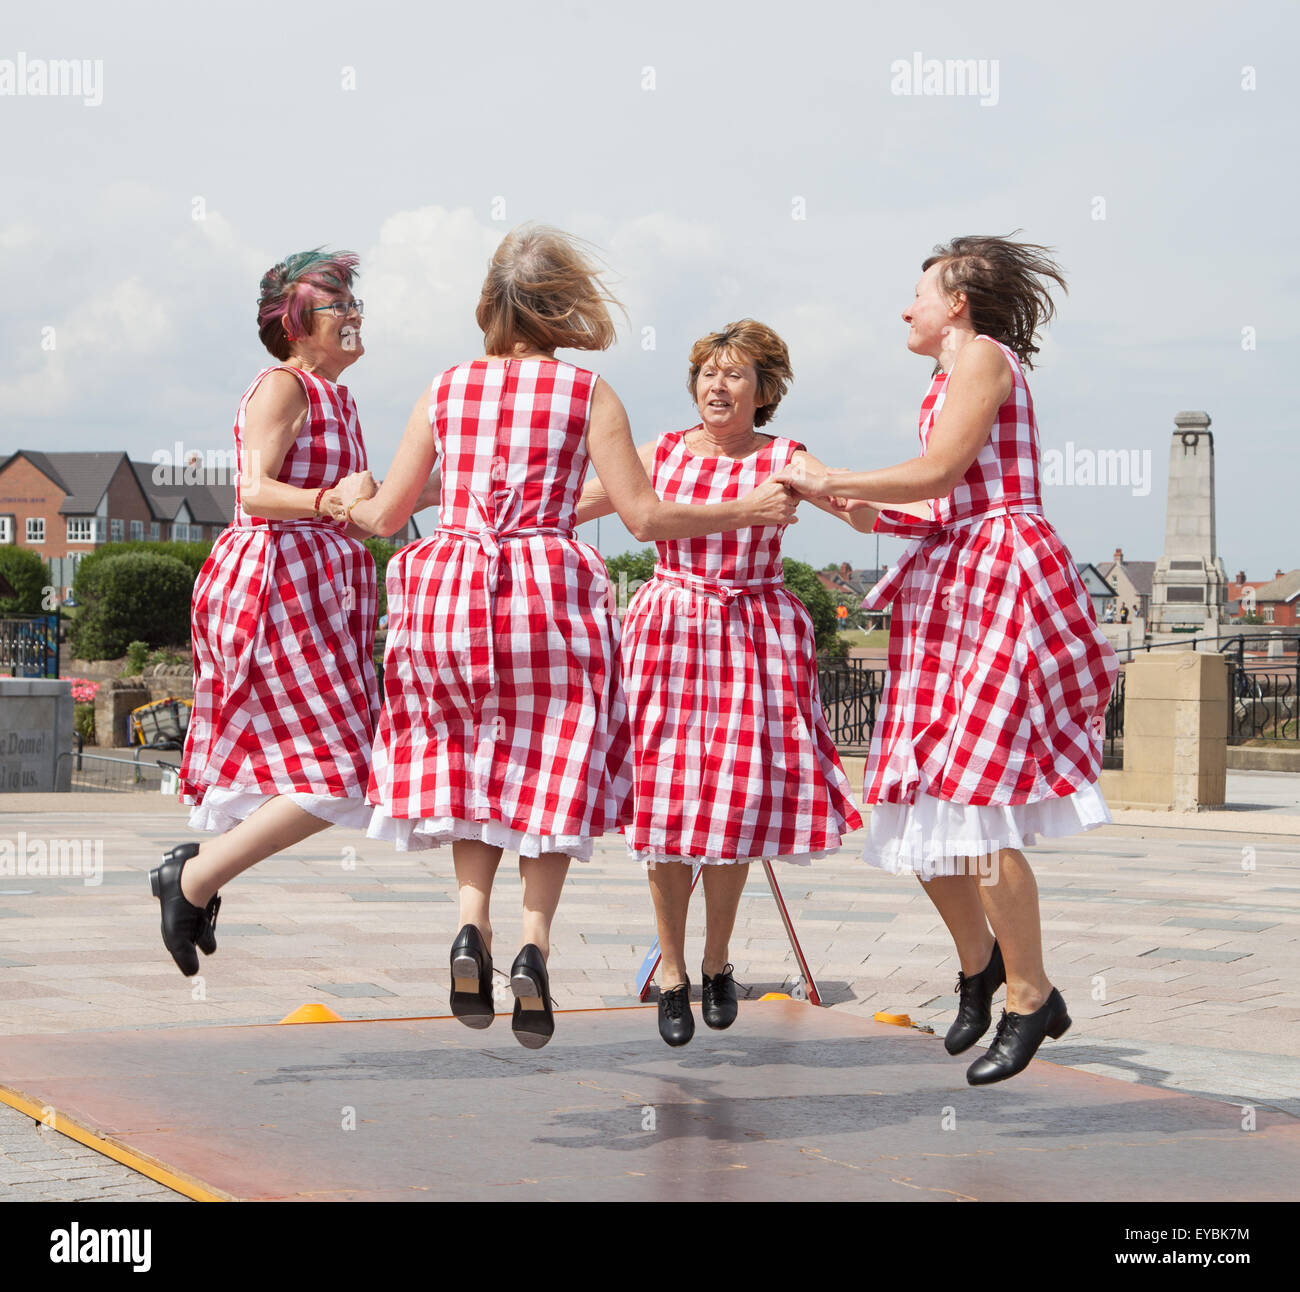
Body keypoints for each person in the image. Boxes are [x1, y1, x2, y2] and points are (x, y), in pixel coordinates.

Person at [343, 226, 797, 1049]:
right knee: (549, 770)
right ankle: (533, 945)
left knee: (467, 768)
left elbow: (384, 516)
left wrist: (341, 498)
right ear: (565, 308)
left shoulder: (445, 388)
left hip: (447, 590)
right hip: (543, 594)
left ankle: (470, 926)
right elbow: (646, 516)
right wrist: (746, 509)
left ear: (491, 303)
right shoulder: (588, 394)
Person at [775, 235, 1119, 1085]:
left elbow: (939, 470)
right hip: (952, 582)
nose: (908, 307)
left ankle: (1031, 995)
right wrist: (848, 504)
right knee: (921, 799)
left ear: (957, 303)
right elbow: (933, 498)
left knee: (978, 800)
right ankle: (982, 965)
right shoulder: (943, 378)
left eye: (920, 292)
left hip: (996, 580)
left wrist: (834, 475)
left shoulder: (986, 359)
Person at [577, 320, 866, 1047]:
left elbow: (855, 508)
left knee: (735, 808)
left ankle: (715, 962)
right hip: (670, 624)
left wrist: (927, 508)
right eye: (708, 372)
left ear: (764, 390)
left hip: (755, 631)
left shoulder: (787, 458)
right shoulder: (660, 453)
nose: (717, 384)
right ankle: (671, 970)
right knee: (667, 804)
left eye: (736, 374)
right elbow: (570, 502)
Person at [157, 249, 393, 976]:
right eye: (337, 305)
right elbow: (255, 491)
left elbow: (369, 507)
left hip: (317, 590)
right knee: (343, 766)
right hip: (275, 587)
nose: (354, 315)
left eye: (356, 301)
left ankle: (195, 877)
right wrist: (331, 503)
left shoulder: (337, 398)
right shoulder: (283, 386)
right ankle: (192, 879)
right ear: (295, 325)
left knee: (338, 762)